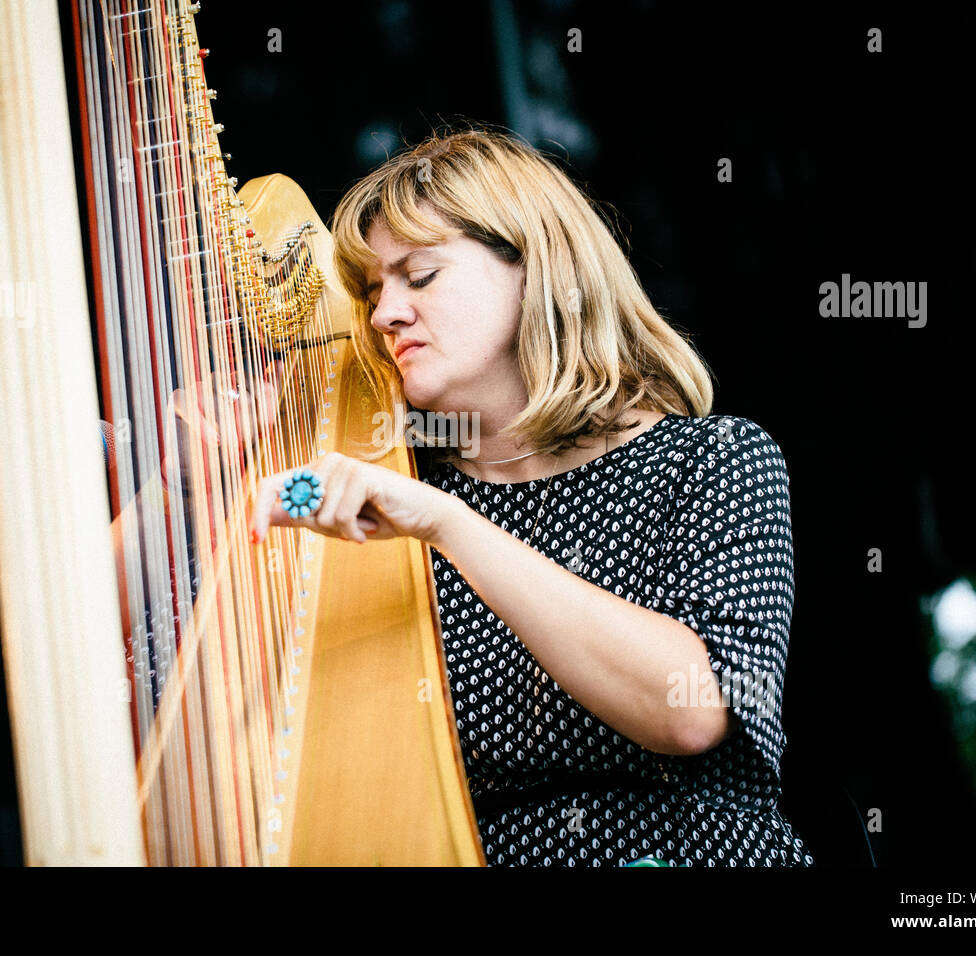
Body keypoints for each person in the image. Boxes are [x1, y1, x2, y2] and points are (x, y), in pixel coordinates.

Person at [250, 126, 813, 866]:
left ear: (535, 270)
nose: (385, 313)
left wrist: (451, 525)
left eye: (418, 276)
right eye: (373, 290)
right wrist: (185, 484)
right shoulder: (389, 496)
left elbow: (693, 712)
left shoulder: (712, 461)